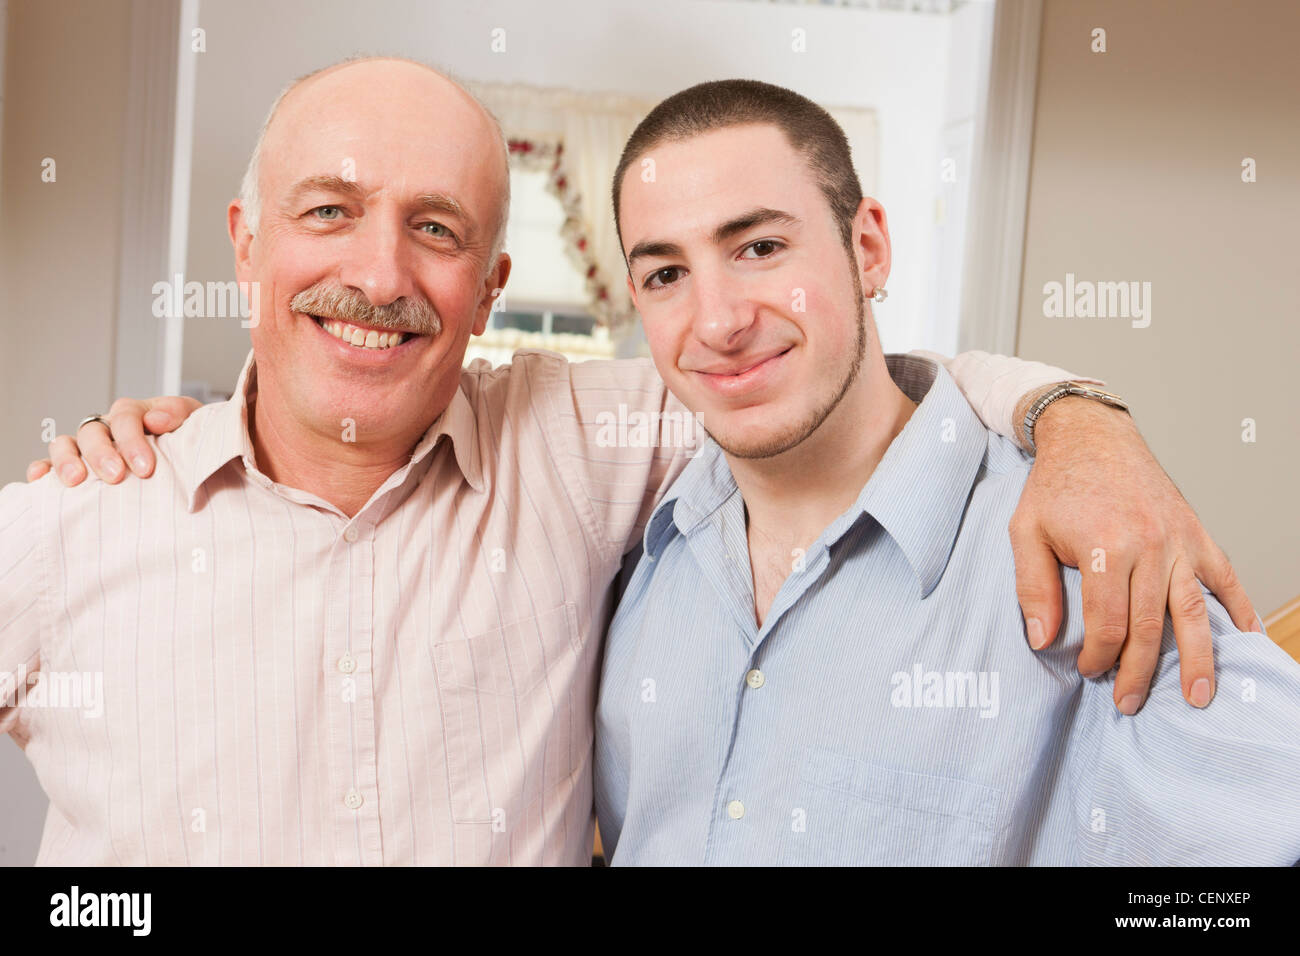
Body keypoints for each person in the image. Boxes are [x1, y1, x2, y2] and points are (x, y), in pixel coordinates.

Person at [5, 57, 1255, 866]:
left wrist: (1081, 419)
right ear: (244, 243)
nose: (379, 276)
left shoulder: (584, 441)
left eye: (434, 231)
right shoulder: (71, 520)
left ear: (491, 287)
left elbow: (840, 379)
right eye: (327, 210)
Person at [593, 79, 1300, 865]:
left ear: (867, 250)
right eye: (666, 274)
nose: (718, 322)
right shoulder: (639, 547)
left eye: (760, 248)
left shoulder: (1081, 555)